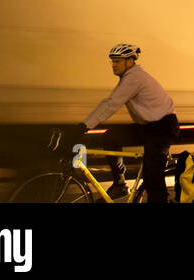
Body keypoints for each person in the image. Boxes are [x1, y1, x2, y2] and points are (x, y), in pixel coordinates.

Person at [74, 43, 179, 203]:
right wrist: (84, 125)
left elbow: (111, 104)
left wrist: (84, 126)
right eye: (112, 62)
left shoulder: (134, 77)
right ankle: (120, 184)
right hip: (147, 127)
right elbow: (108, 103)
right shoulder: (128, 77)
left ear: (130, 61)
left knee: (152, 176)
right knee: (110, 137)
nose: (114, 65)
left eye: (118, 61)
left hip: (162, 128)